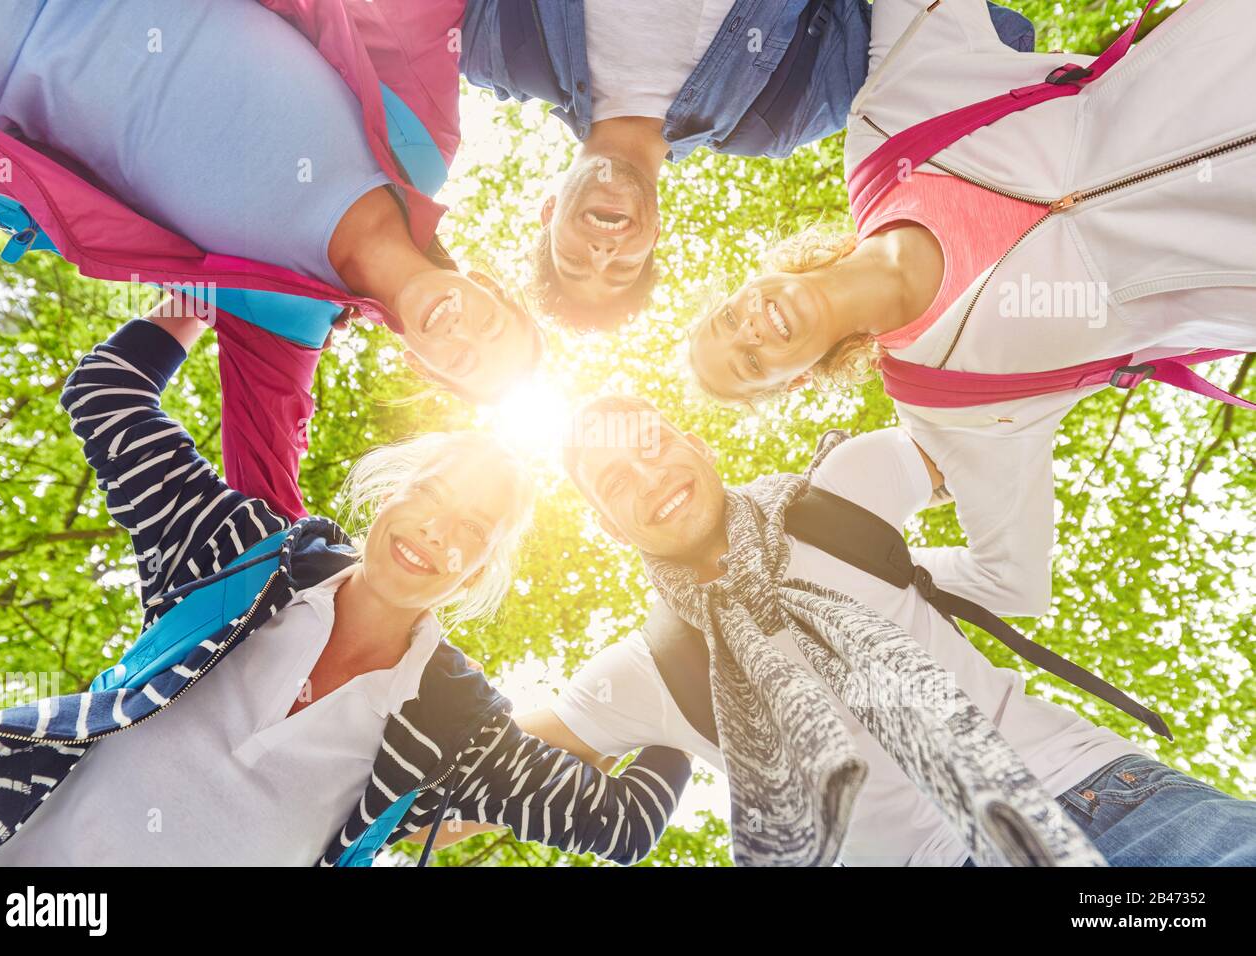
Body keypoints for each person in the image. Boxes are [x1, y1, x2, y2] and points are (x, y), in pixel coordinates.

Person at [0, 302, 689, 868]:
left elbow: (619, 822)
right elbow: (108, 394)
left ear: (477, 572)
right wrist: (219, 278)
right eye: (432, 493)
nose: (438, 529)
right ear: (389, 495)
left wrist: (699, 655)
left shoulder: (453, 727)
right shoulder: (242, 557)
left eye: (473, 528)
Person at [686, 0, 1254, 618]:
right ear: (792, 381)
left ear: (751, 281)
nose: (752, 330)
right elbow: (1011, 584)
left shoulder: (885, 130)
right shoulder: (953, 401)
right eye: (748, 362)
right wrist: (822, 560)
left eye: (728, 320)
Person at [523, 396, 1256, 866]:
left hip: (1105, 807)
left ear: (695, 443)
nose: (648, 477)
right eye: (615, 481)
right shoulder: (647, 672)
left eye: (650, 445)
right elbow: (466, 778)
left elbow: (987, 422)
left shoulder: (843, 493)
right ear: (610, 528)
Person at [0, 0, 544, 521]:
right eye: (489, 326)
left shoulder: (282, 320)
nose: (461, 332)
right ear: (489, 285)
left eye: (462, 361)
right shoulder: (417, 137)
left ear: (424, 367)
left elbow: (270, 508)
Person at [461, 0, 1037, 330]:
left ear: (549, 211)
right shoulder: (773, 119)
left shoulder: (501, 49)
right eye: (618, 271)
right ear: (656, 236)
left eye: (575, 261)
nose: (603, 254)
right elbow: (979, 49)